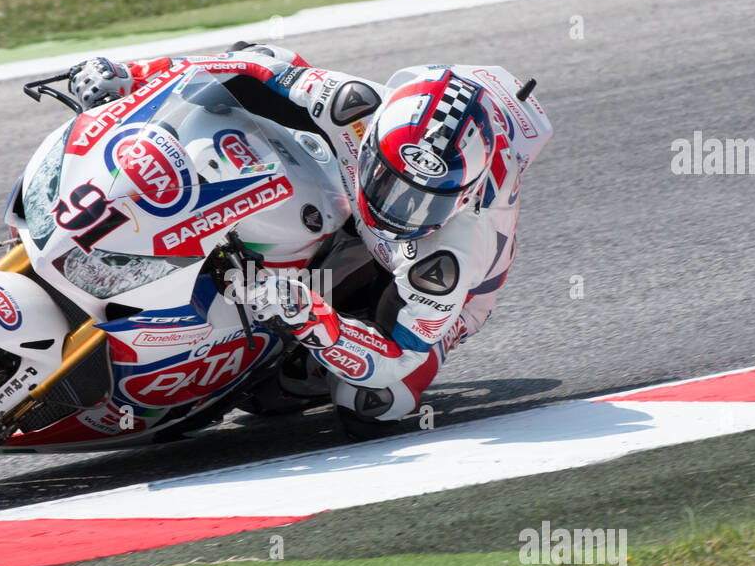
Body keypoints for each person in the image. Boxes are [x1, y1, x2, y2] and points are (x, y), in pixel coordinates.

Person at [66, 42, 552, 435]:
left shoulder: (453, 256)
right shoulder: (355, 105)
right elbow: (251, 65)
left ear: (463, 194)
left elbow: (398, 357)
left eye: (429, 202)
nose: (400, 210)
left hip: (431, 295)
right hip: (337, 192)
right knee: (257, 72)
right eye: (390, 184)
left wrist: (316, 319)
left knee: (375, 402)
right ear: (375, 135)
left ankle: (271, 358)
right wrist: (132, 72)